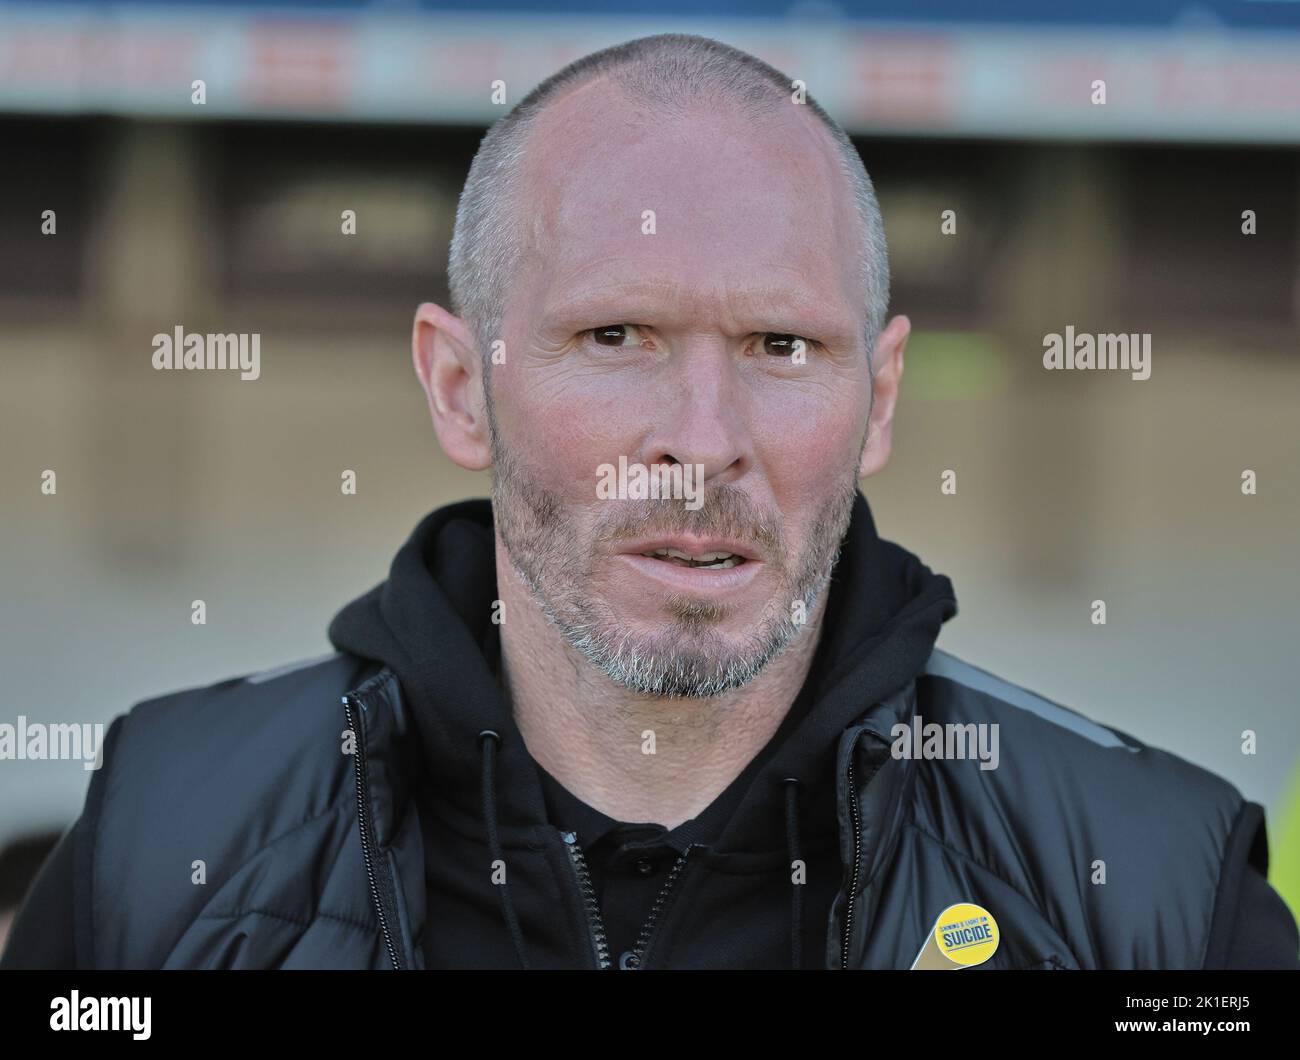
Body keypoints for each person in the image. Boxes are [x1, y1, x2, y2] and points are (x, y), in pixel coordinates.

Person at [3, 33, 1296, 970]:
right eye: (616, 336)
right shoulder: (161, 846)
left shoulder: (1152, 895)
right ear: (461, 388)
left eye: (783, 348)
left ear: (882, 397)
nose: (702, 441)